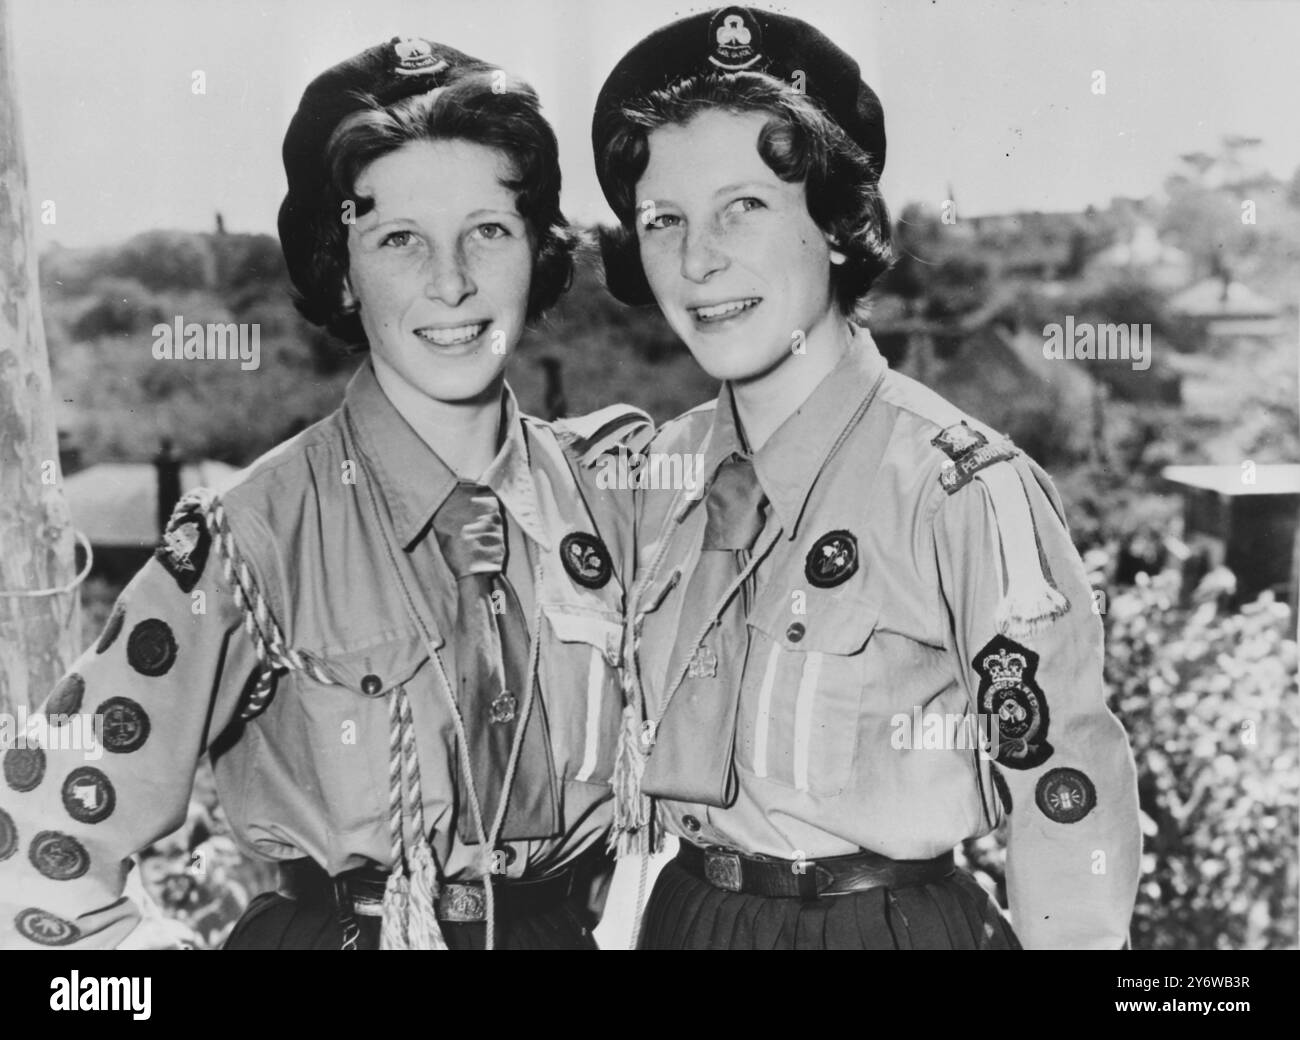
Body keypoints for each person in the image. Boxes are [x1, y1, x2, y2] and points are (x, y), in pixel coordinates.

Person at [0, 35, 649, 950]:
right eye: (398, 240)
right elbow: (34, 848)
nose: (452, 281)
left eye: (488, 230)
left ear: (537, 248)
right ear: (340, 268)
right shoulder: (250, 539)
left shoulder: (611, 496)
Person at [593, 6, 1140, 949]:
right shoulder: (653, 479)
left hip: (879, 926)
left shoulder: (958, 488)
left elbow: (1065, 801)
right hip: (685, 919)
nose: (696, 258)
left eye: (745, 207)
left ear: (839, 230)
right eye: (663, 220)